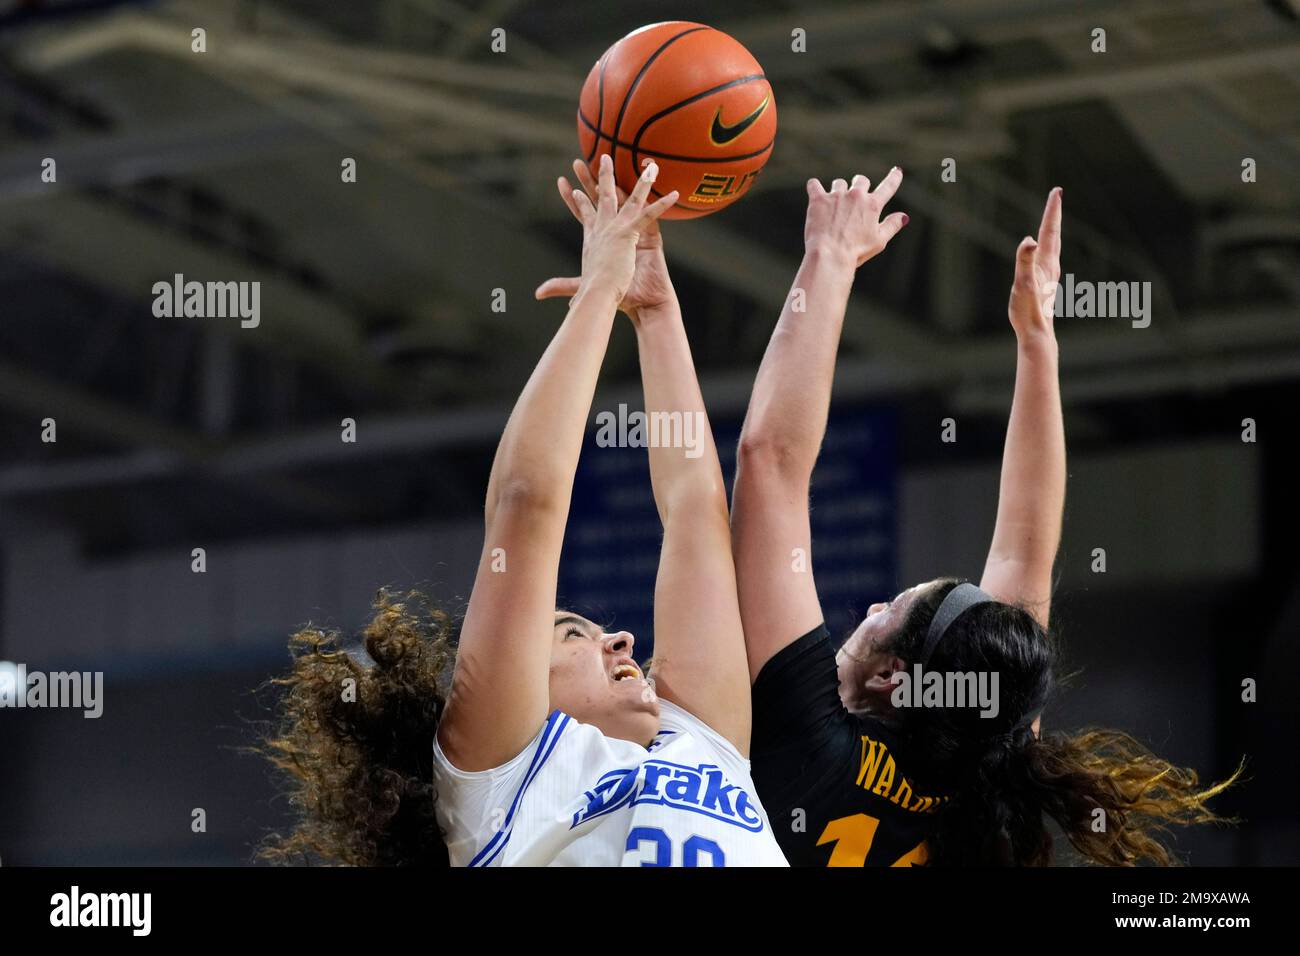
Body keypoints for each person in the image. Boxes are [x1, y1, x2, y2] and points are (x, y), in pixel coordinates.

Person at [261, 155, 786, 867]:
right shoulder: (500, 780)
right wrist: (596, 290)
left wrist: (657, 315)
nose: (624, 642)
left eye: (580, 631)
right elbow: (524, 504)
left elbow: (695, 511)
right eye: (575, 633)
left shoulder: (697, 744)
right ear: (516, 690)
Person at [731, 179, 1238, 865]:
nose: (874, 604)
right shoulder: (981, 768)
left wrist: (830, 258)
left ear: (890, 677)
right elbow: (1022, 554)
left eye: (890, 609)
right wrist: (1036, 343)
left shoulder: (815, 731)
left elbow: (773, 462)